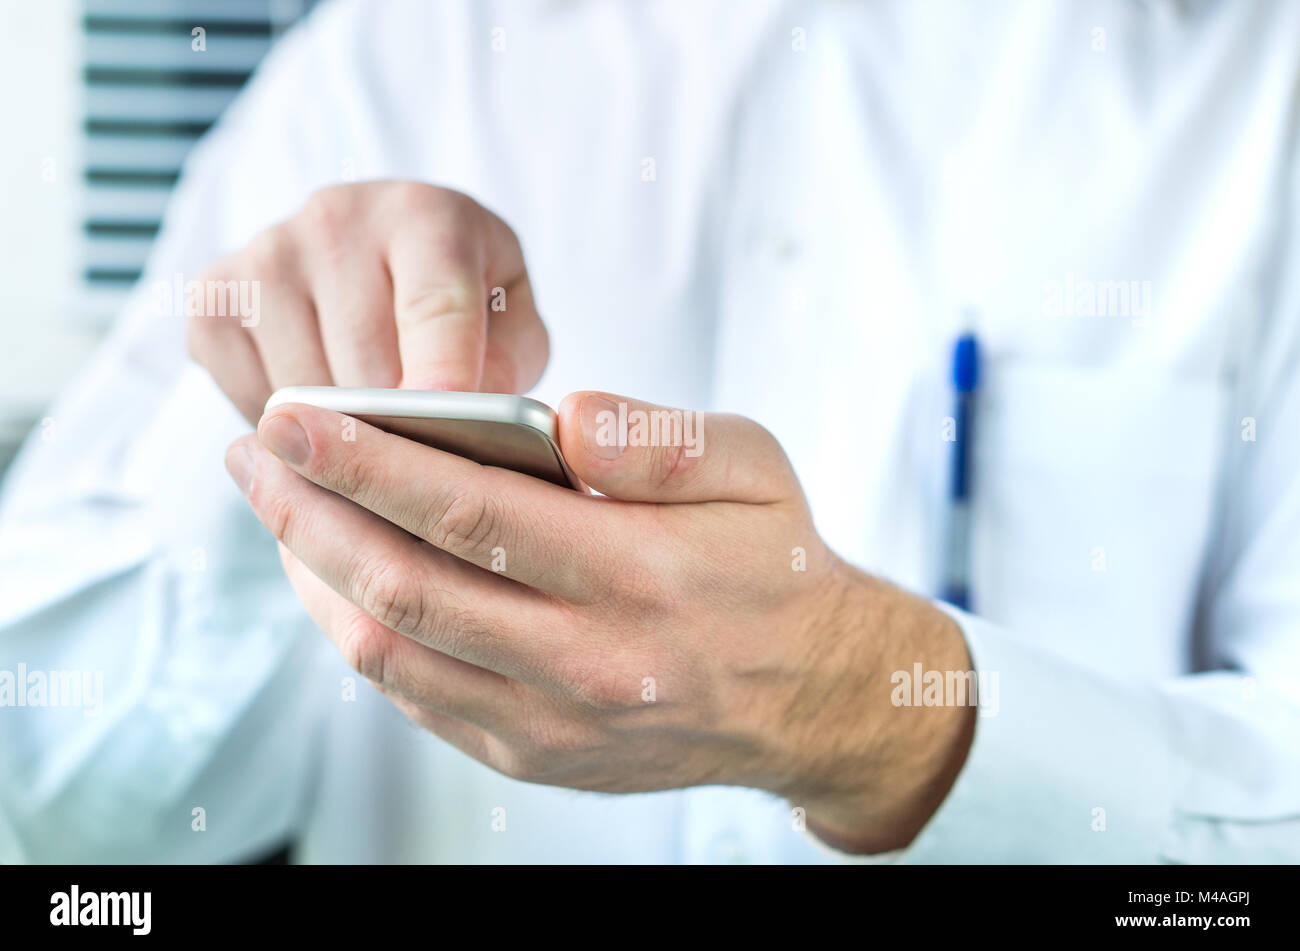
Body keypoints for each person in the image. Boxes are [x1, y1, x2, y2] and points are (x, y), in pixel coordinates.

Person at [2, 0, 1299, 864]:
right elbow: (57, 814)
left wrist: (897, 724)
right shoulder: (384, 62)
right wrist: (265, 441)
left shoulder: (1259, 91)